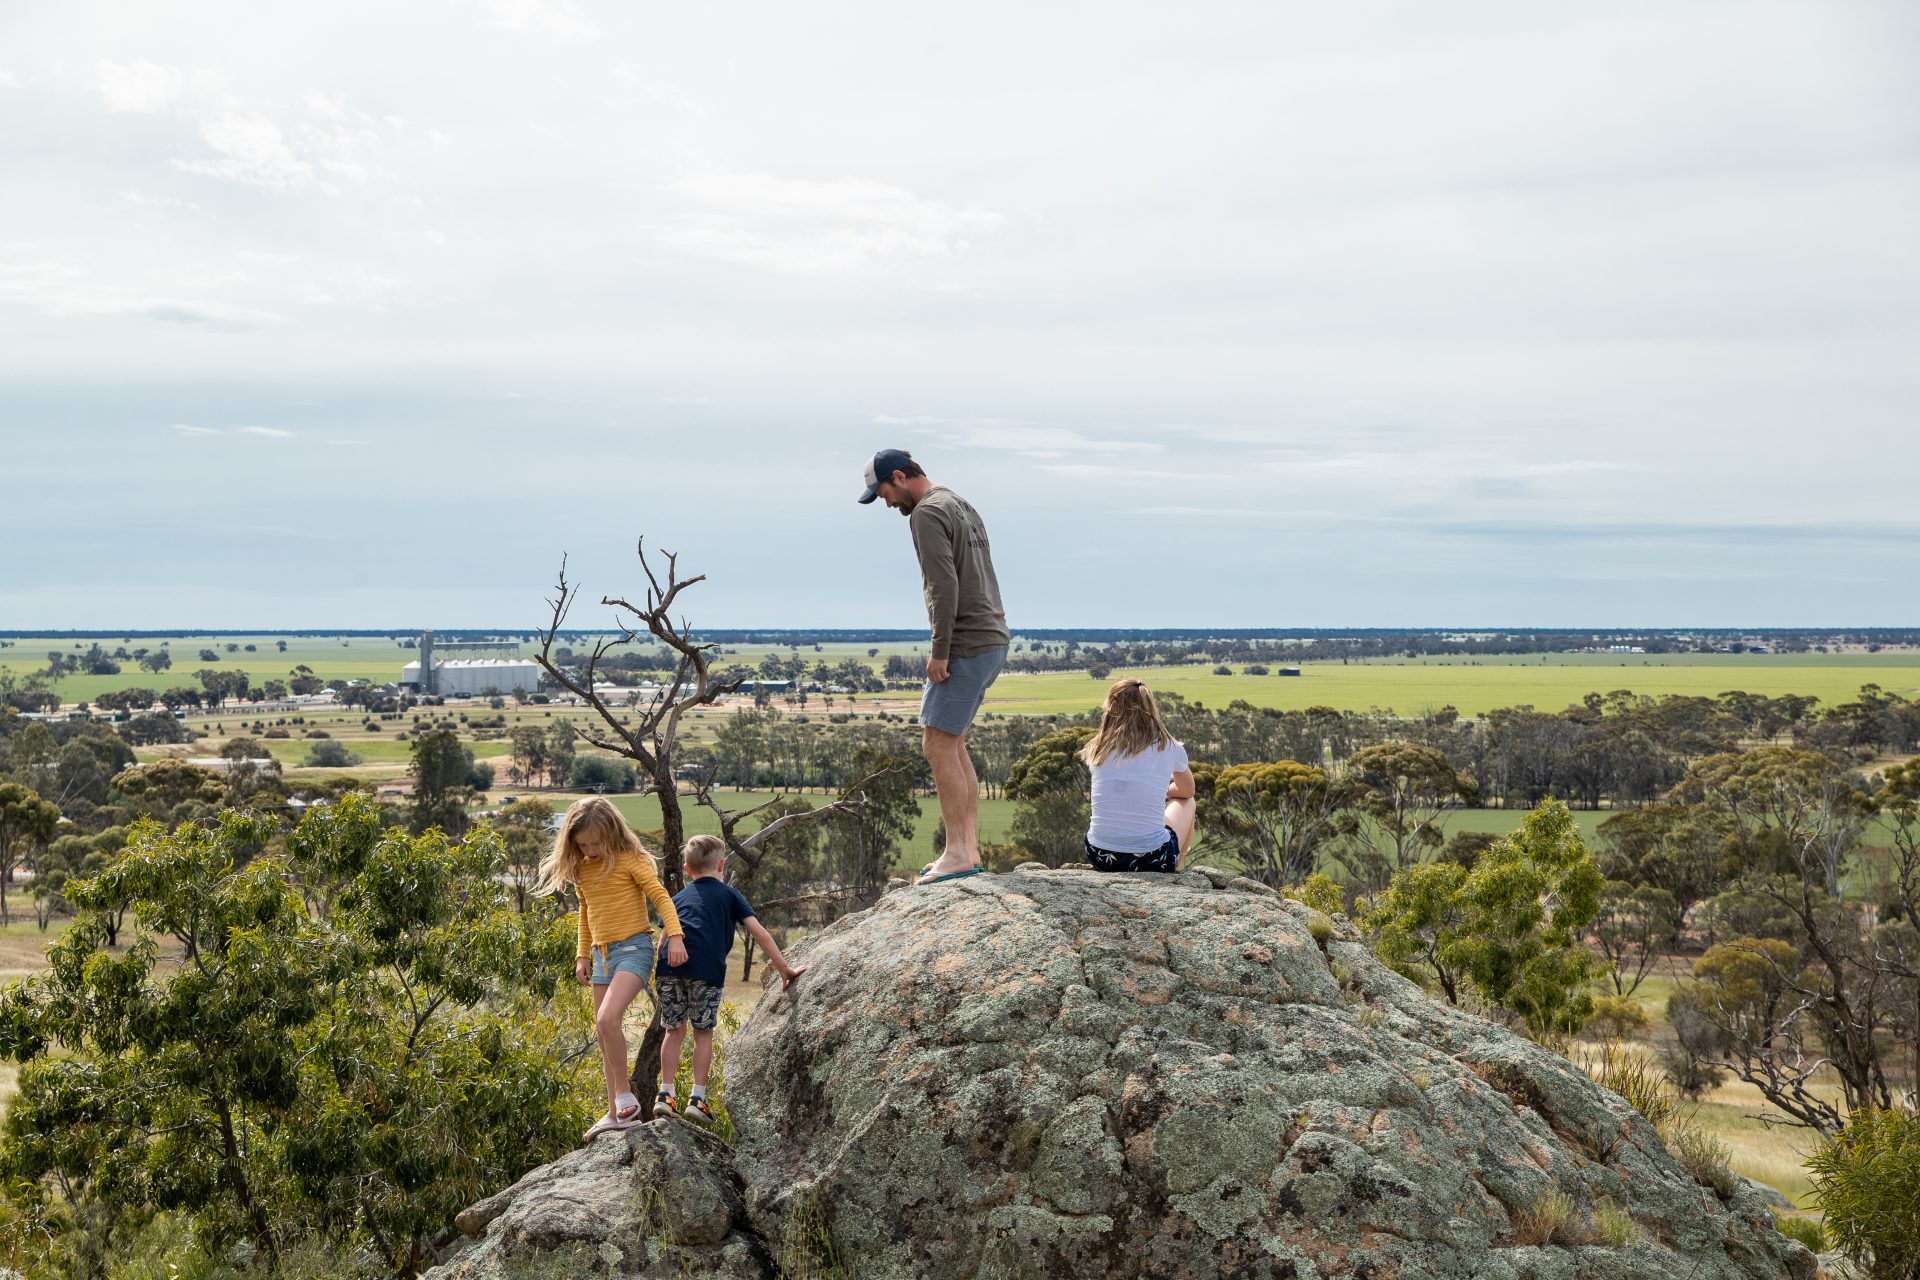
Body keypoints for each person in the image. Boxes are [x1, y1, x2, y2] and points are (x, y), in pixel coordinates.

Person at [858, 448, 1009, 885]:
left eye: (884, 492)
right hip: (992, 636)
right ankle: (968, 848)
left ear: (901, 477)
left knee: (938, 744)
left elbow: (944, 586)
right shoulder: (959, 503)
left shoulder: (926, 513)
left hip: (966, 642)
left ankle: (958, 852)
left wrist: (940, 650)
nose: (886, 504)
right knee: (953, 742)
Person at [533, 796, 688, 1140]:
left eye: (595, 843)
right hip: (600, 956)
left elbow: (661, 896)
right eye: (582, 844)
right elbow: (584, 915)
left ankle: (623, 1096)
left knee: (607, 1019)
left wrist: (674, 935)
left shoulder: (630, 860)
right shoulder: (581, 869)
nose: (589, 850)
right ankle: (618, 1115)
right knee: (605, 1037)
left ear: (612, 833)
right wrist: (581, 956)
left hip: (634, 949)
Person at [652, 835, 805, 1125]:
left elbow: (662, 942)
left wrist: (660, 982)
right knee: (703, 1033)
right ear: (722, 864)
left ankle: (665, 1094)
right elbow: (758, 932)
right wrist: (784, 968)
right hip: (706, 970)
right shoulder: (730, 895)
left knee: (673, 1031)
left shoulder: (678, 898)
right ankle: (697, 1098)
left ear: (687, 870)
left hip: (669, 970)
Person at [1082, 678, 1196, 873]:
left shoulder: (1097, 747)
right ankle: (1175, 869)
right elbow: (1187, 791)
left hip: (1100, 854)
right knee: (1189, 802)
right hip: (1151, 858)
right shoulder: (1169, 747)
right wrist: (1164, 790)